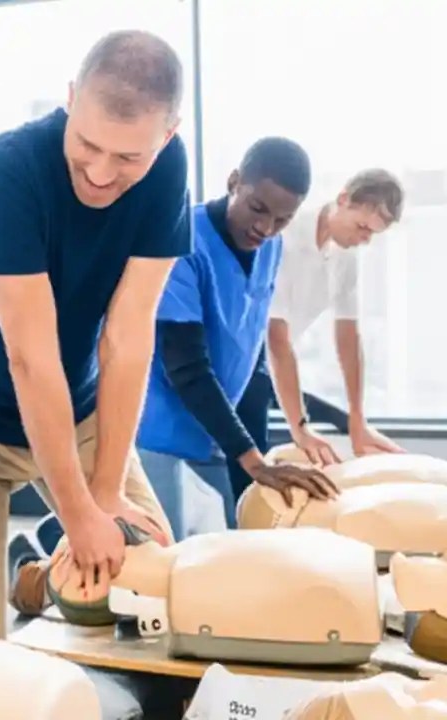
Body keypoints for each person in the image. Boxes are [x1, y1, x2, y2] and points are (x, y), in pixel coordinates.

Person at [0, 29, 188, 641]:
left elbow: (129, 335)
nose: (101, 172)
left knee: (158, 589)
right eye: (87, 143)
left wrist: (105, 492)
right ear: (68, 99)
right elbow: (30, 357)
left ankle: (28, 577)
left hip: (77, 410)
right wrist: (79, 513)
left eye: (129, 158)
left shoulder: (168, 170)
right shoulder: (1, 174)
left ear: (166, 136)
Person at [134, 137, 338, 538]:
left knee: (215, 554)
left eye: (282, 219)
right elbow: (186, 368)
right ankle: (38, 568)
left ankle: (39, 552)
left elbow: (249, 354)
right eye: (257, 209)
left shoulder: (271, 248)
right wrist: (253, 460)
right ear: (234, 182)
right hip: (156, 434)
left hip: (212, 433)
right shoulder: (181, 243)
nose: (265, 228)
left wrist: (255, 457)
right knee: (158, 562)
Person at [266, 169, 407, 465]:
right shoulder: (286, 238)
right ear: (343, 199)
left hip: (269, 364)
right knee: (259, 459)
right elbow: (276, 339)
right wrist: (300, 428)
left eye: (372, 234)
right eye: (362, 227)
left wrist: (357, 418)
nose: (365, 239)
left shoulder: (345, 256)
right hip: (249, 357)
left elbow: (348, 338)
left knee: (344, 424)